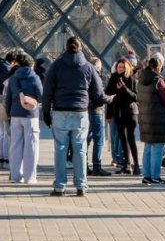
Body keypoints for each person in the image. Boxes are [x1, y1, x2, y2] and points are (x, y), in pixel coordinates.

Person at [41, 37, 106, 197]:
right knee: (80, 149)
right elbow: (98, 94)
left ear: (66, 47)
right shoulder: (89, 67)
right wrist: (109, 99)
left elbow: (47, 92)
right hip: (81, 112)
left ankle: (59, 186)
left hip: (60, 112)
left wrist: (46, 113)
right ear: (80, 48)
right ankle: (81, 186)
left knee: (60, 149)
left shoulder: (56, 66)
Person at [136, 55, 165, 186]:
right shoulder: (158, 81)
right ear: (159, 66)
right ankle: (155, 176)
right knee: (157, 147)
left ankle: (147, 176)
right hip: (158, 119)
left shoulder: (141, 80)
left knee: (148, 148)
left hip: (145, 117)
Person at [3, 52, 43, 184]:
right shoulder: (34, 77)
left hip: (15, 114)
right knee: (31, 146)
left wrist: (9, 113)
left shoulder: (13, 78)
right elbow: (41, 96)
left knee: (15, 146)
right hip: (30, 115)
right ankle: (29, 177)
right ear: (31, 64)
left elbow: (7, 99)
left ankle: (15, 177)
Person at [105, 58, 139, 175]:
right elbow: (109, 96)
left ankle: (136, 164)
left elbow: (136, 97)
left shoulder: (132, 79)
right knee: (122, 139)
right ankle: (126, 165)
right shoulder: (113, 78)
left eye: (123, 67)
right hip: (118, 113)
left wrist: (124, 88)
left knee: (130, 138)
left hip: (130, 112)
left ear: (127, 68)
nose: (120, 69)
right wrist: (108, 114)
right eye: (119, 67)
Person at [86, 56, 113, 177]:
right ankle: (97, 166)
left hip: (86, 110)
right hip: (96, 110)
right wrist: (110, 98)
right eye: (100, 68)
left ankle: (84, 166)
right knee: (98, 140)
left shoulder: (84, 75)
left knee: (86, 140)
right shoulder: (95, 76)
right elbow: (99, 96)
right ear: (97, 67)